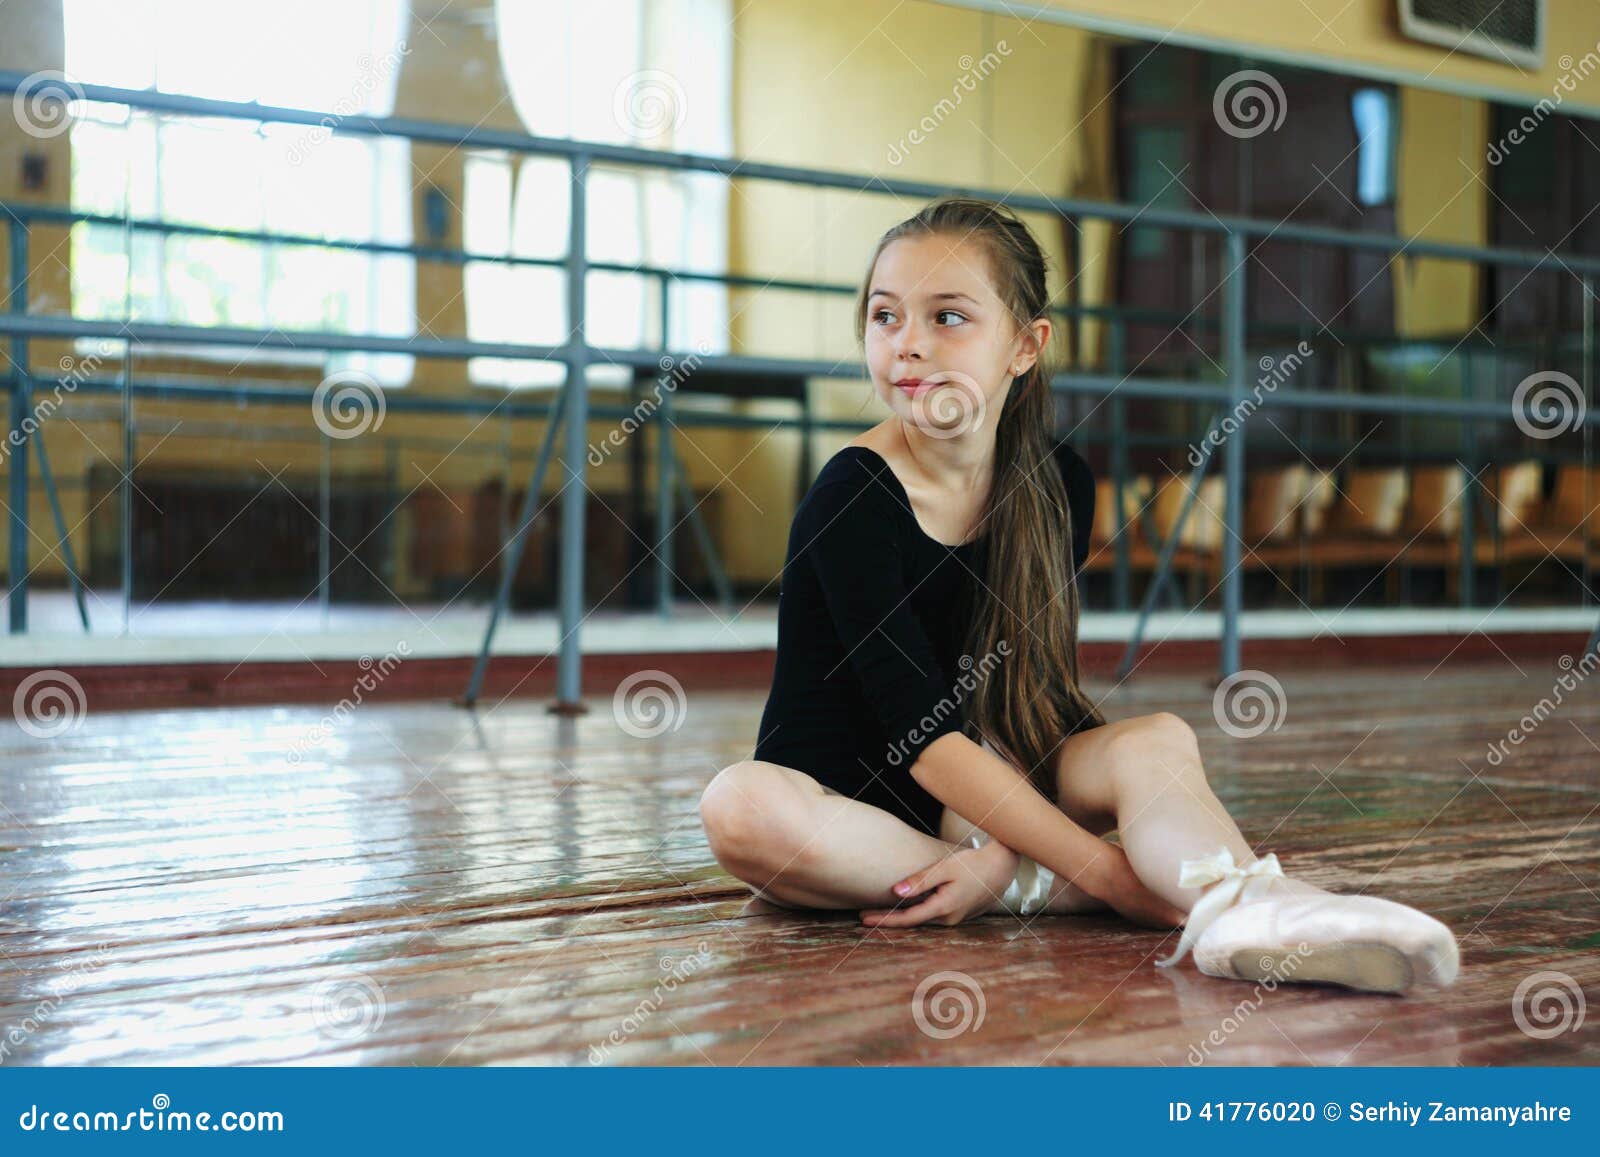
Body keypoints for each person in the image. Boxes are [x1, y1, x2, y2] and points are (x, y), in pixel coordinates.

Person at [699, 197, 1457, 995]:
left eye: (948, 316)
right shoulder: (852, 497)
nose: (908, 344)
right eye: (884, 316)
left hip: (988, 780)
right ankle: (1046, 887)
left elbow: (1013, 693)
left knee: (1155, 739)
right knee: (738, 802)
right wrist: (1105, 875)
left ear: (1026, 346)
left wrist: (992, 838)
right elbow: (925, 735)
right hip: (849, 812)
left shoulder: (1057, 480)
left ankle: (1250, 909)